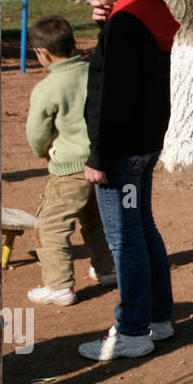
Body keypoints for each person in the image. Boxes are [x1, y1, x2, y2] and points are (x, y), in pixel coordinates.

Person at [74, 0, 180, 361]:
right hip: (144, 145)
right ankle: (158, 317)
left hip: (119, 152)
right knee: (142, 229)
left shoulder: (123, 25)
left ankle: (133, 329)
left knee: (124, 239)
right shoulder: (149, 13)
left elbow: (110, 95)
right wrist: (108, 22)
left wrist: (99, 155)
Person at [24, 16, 117, 306]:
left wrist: (43, 151)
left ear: (43, 52)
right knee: (94, 220)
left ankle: (59, 285)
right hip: (102, 162)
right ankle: (107, 269)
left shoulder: (47, 88)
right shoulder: (95, 73)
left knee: (50, 226)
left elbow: (37, 133)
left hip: (69, 170)